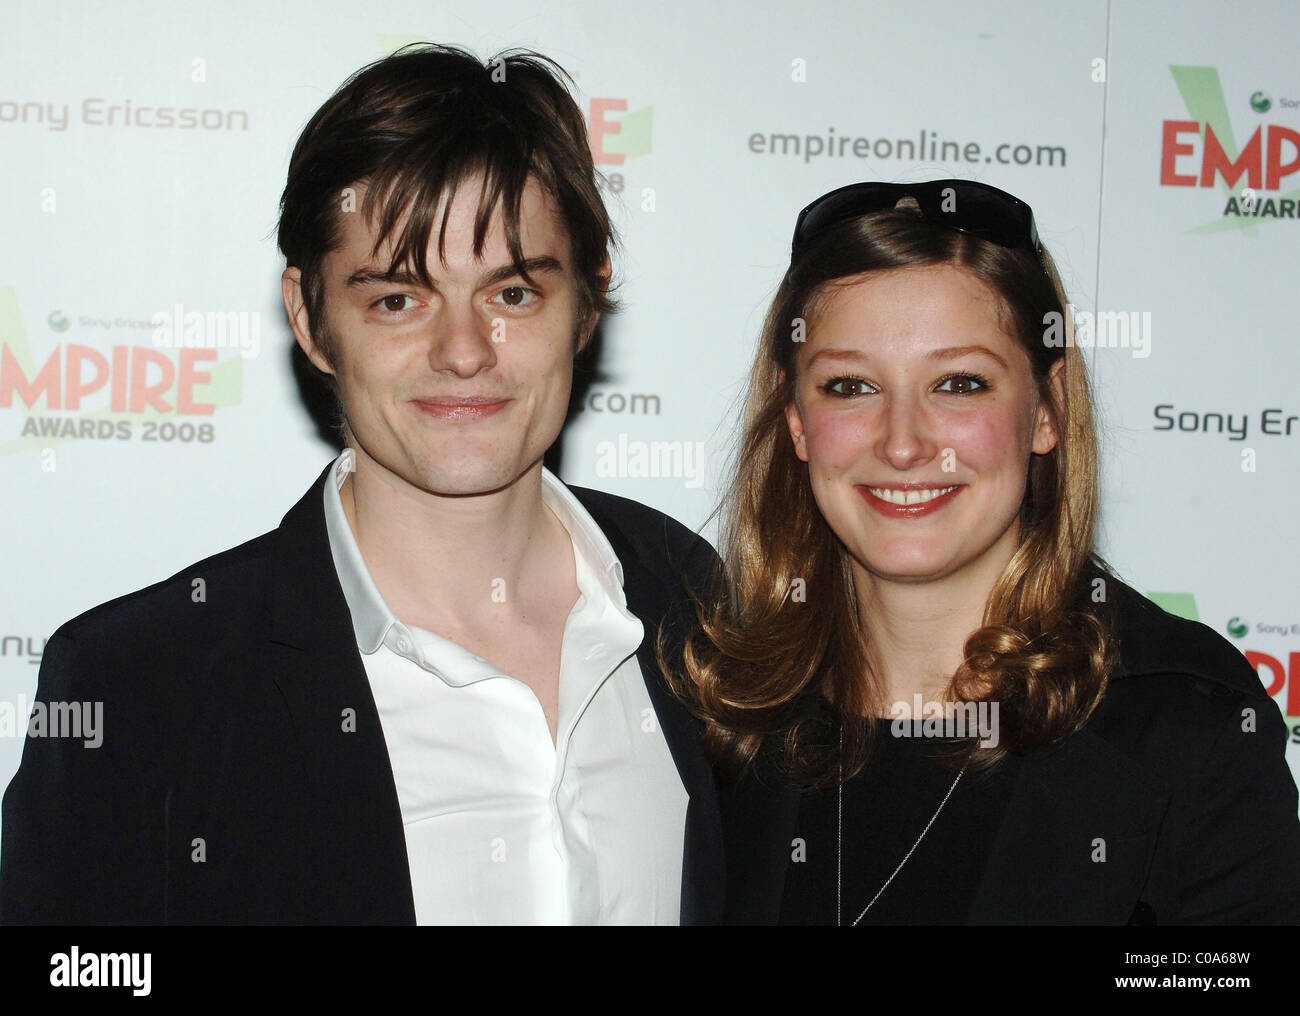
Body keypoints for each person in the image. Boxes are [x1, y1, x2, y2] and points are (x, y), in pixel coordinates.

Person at [0, 43, 722, 926]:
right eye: (397, 300)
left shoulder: (701, 607)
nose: (463, 352)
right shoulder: (141, 683)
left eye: (513, 295)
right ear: (309, 319)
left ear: (587, 303)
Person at [673, 178, 1300, 924]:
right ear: (797, 421)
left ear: (1047, 409)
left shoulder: (1185, 730)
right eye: (850, 385)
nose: (904, 443)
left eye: (960, 383)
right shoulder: (721, 721)